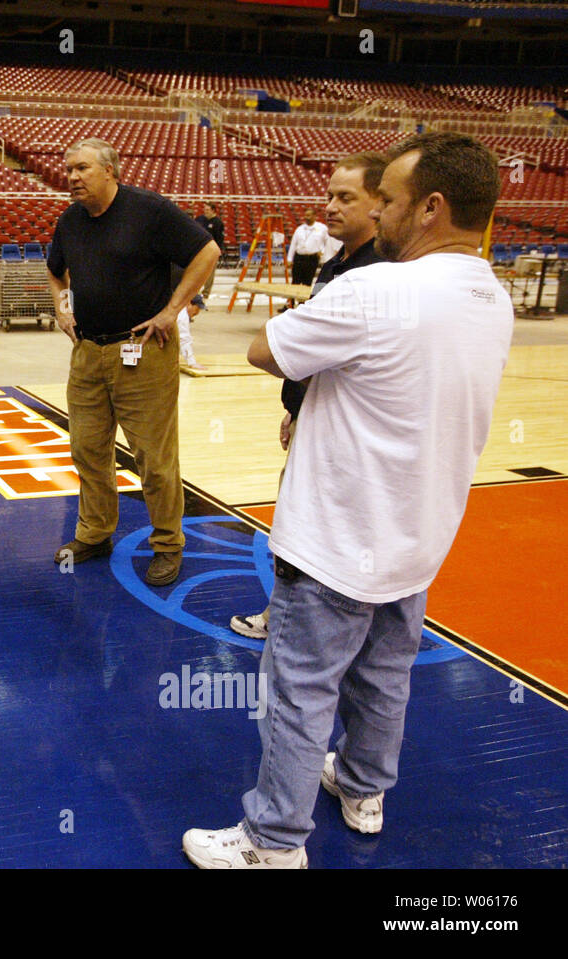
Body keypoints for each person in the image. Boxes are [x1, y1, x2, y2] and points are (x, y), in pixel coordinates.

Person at [184, 132, 513, 868]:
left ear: (430, 207)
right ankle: (364, 789)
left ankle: (272, 841)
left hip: (336, 535)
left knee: (301, 690)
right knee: (385, 674)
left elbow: (265, 348)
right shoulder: (494, 298)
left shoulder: (375, 288)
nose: (381, 215)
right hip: (417, 536)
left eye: (389, 201)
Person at [229, 151, 388, 641]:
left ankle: (297, 623)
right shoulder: (336, 262)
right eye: (329, 196)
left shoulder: (378, 272)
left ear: (380, 203)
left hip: (348, 436)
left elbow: (285, 348)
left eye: (346, 197)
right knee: (297, 518)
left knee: (315, 530)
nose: (331, 207)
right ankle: (290, 615)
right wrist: (294, 408)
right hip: (314, 418)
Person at [46, 138, 219, 586]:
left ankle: (168, 544)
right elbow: (54, 268)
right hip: (87, 353)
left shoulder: (150, 211)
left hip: (142, 353)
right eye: (68, 170)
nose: (72, 177)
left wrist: (171, 310)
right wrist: (63, 307)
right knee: (87, 450)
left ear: (111, 171)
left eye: (82, 168)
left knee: (154, 459)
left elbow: (208, 253)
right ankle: (95, 533)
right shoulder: (71, 220)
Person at [285, 208, 327, 287]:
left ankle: (303, 299)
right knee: (295, 281)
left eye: (309, 215)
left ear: (315, 216)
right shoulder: (299, 229)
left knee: (307, 282)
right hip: (299, 258)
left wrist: (323, 251)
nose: (306, 217)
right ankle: (293, 299)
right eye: (305, 215)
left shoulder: (322, 228)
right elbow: (293, 244)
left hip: (312, 259)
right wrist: (289, 259)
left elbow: (327, 242)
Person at [194, 202, 226, 299]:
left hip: (212, 250)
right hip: (199, 249)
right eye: (205, 209)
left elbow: (220, 238)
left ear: (213, 210)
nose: (205, 211)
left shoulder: (218, 222)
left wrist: (218, 250)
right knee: (197, 271)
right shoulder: (199, 219)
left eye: (207, 210)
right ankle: (194, 291)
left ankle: (206, 292)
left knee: (210, 272)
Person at [177, 294, 205, 373]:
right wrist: (192, 362)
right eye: (197, 308)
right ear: (189, 304)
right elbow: (184, 339)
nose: (197, 312)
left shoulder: (179, 310)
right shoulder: (182, 316)